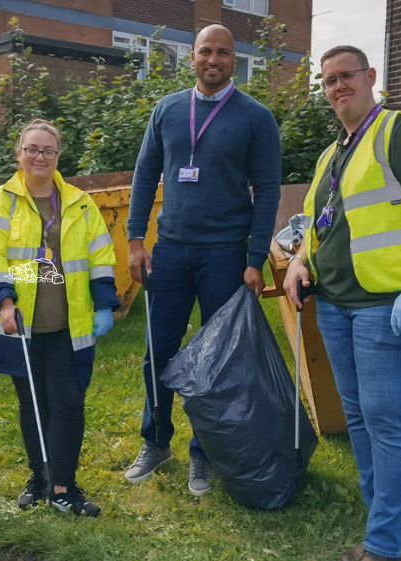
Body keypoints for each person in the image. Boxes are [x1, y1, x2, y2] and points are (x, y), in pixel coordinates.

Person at [281, 45, 401, 561]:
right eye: (328, 81)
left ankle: (385, 550)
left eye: (346, 76)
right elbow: (321, 223)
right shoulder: (333, 154)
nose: (337, 88)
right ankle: (380, 529)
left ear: (371, 77)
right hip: (338, 303)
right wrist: (299, 262)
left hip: (389, 304)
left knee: (387, 420)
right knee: (359, 419)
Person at [124, 24, 282, 496]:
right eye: (206, 51)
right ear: (191, 57)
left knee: (216, 360)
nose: (214, 59)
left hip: (226, 254)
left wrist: (255, 257)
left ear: (235, 60)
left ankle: (204, 450)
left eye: (224, 53)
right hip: (170, 251)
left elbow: (269, 190)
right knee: (159, 351)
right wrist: (136, 239)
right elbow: (145, 173)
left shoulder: (256, 117)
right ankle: (156, 441)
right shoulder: (167, 109)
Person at [0, 119, 120, 517]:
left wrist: (104, 302)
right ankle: (39, 476)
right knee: (32, 403)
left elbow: (100, 254)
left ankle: (63, 485)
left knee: (69, 403)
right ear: (19, 153)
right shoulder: (0, 202)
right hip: (19, 325)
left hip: (68, 323)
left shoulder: (78, 201)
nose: (40, 157)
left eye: (48, 151)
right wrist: (6, 300)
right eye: (32, 149)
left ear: (58, 156)